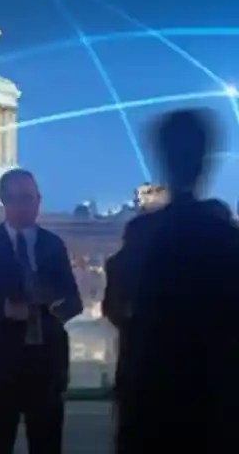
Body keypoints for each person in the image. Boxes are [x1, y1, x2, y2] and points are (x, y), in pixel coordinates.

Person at [116, 109, 239, 454]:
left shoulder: (142, 235)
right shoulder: (226, 239)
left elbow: (118, 307)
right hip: (211, 407)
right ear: (205, 161)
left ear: (162, 159)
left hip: (150, 403)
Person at [0, 168, 82, 454]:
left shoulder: (53, 245)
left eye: (32, 198)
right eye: (20, 198)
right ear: (4, 201)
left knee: (48, 446)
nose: (28, 205)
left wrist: (53, 309)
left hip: (47, 366)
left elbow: (74, 300)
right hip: (1, 368)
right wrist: (5, 309)